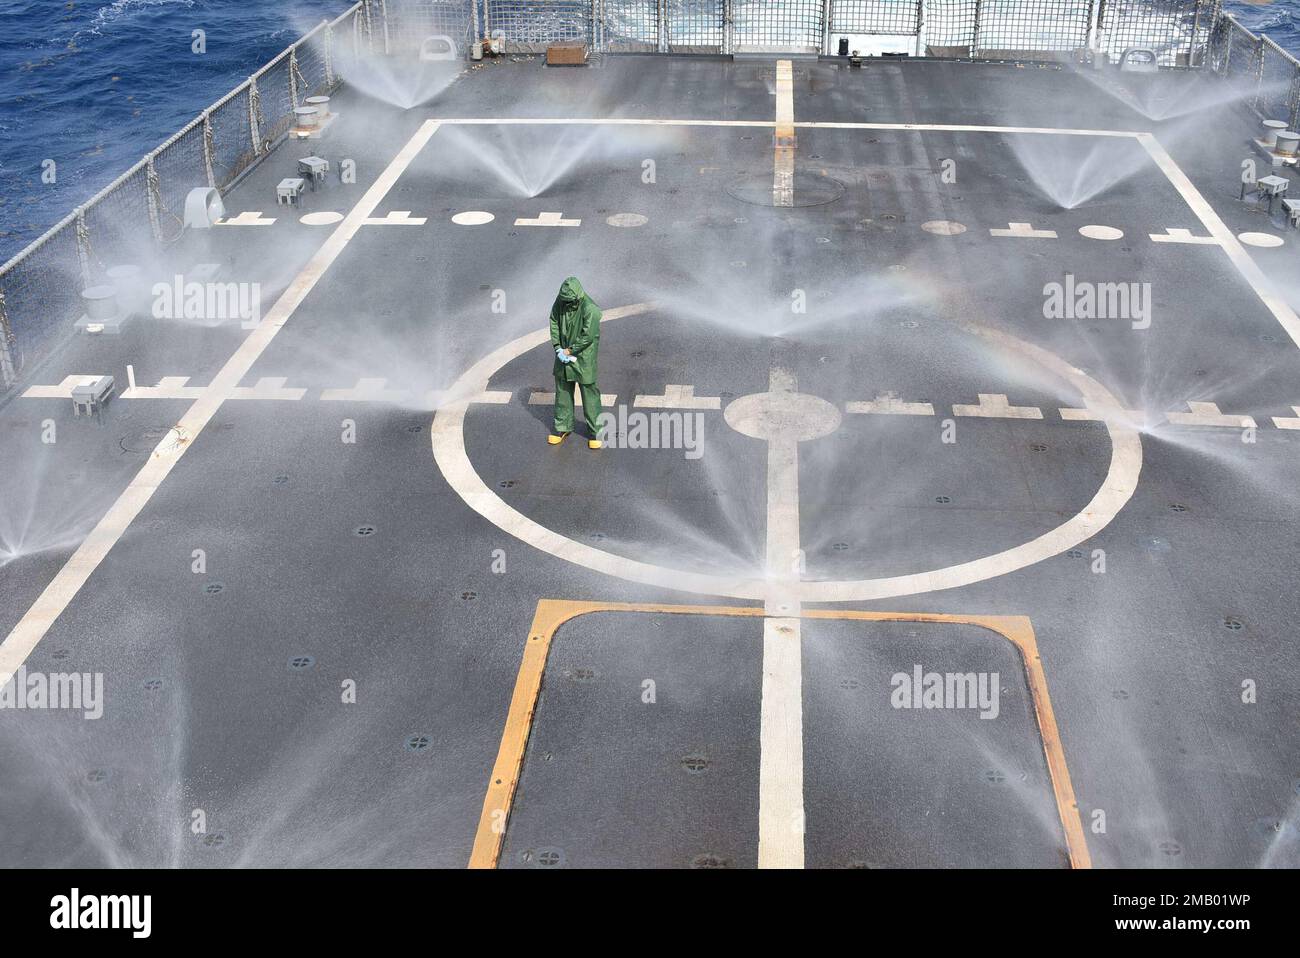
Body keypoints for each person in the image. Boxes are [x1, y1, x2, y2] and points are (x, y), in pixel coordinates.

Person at [547, 276, 604, 449]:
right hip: (563, 352)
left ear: (577, 297)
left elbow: (588, 336)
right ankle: (562, 427)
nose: (565, 304)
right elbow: (554, 321)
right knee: (563, 390)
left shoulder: (590, 309)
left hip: (583, 356)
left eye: (569, 301)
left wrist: (570, 351)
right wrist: (557, 347)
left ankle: (596, 431)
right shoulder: (561, 301)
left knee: (589, 392)